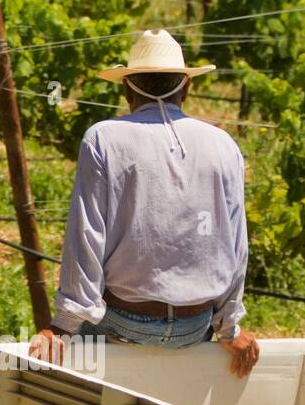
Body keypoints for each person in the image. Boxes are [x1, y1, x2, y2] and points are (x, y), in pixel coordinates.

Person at [29, 30, 260, 379]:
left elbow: (87, 236)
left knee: (81, 364)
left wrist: (62, 326)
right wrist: (229, 327)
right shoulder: (224, 145)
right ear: (186, 88)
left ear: (127, 90)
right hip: (194, 327)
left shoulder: (103, 138)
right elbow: (235, 245)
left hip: (123, 322)